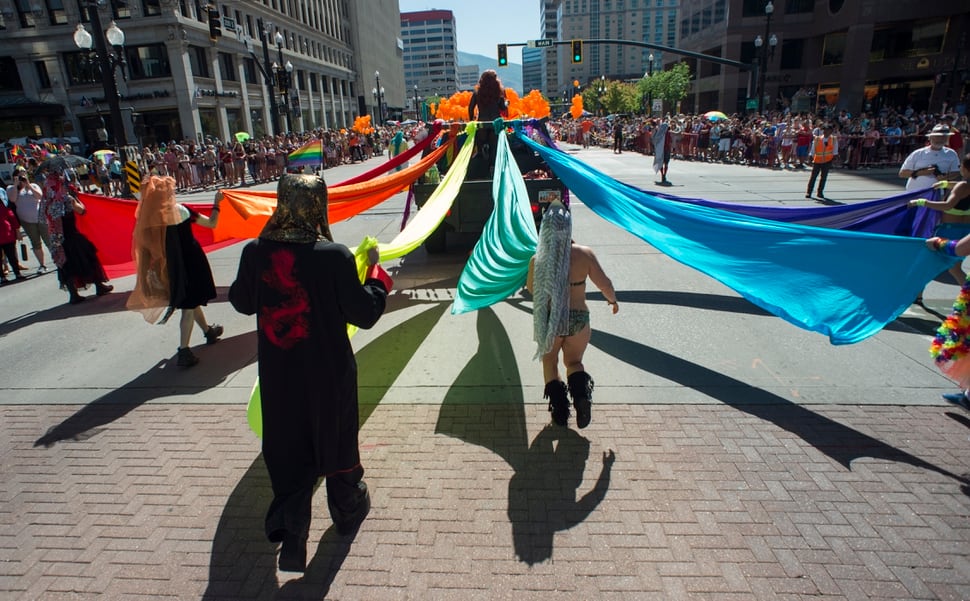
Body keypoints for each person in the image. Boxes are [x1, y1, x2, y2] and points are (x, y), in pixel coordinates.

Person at [228, 174, 393, 572]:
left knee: (288, 444)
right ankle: (347, 508)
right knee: (334, 436)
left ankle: (292, 530)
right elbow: (364, 313)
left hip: (280, 373)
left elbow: (241, 302)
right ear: (319, 206)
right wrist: (375, 278)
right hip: (328, 371)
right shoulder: (332, 255)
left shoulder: (256, 252)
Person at [526, 201, 618, 429]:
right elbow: (604, 283)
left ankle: (559, 411)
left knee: (550, 360)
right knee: (574, 362)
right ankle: (581, 398)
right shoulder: (584, 254)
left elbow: (530, 288)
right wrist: (612, 300)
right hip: (578, 319)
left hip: (550, 321)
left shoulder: (538, 259)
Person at [126, 176, 224, 368]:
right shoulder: (181, 210)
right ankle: (184, 350)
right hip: (190, 261)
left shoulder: (148, 217)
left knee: (191, 300)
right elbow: (212, 223)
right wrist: (216, 203)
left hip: (169, 265)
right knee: (189, 304)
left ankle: (208, 332)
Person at [43, 170, 112, 304]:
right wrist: (77, 198)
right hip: (72, 236)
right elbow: (82, 211)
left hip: (57, 239)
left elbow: (43, 220)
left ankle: (73, 294)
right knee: (88, 258)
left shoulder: (47, 203)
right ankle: (99, 286)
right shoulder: (66, 199)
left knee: (66, 265)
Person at [908, 152, 970, 287]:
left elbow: (948, 205)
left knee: (926, 261)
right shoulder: (962, 185)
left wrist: (922, 202)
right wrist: (947, 184)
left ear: (964, 168)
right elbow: (963, 186)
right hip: (965, 232)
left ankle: (917, 294)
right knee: (955, 269)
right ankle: (967, 296)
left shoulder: (961, 186)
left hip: (949, 232)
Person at [7, 167, 49, 273]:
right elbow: (12, 199)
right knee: (36, 243)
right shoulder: (11, 188)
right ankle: (42, 265)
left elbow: (40, 196)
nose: (22, 178)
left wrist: (29, 185)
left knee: (49, 240)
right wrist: (17, 185)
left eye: (24, 175)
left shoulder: (33, 186)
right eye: (20, 176)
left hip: (41, 218)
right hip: (27, 221)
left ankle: (59, 262)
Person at [899, 123, 962, 191]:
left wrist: (944, 177)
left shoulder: (951, 154)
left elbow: (956, 172)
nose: (940, 139)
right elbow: (902, 173)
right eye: (937, 137)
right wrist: (921, 172)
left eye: (944, 137)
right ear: (930, 137)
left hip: (936, 194)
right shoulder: (918, 153)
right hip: (914, 192)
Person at [468, 69, 508, 174]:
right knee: (494, 148)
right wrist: (507, 103)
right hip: (495, 123)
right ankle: (492, 168)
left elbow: (470, 107)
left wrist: (471, 119)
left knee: (480, 146)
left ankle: (482, 163)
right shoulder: (500, 92)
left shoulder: (477, 92)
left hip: (482, 124)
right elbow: (503, 108)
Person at [0, 178, 25, 284]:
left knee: (11, 256)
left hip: (7, 234)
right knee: (10, 256)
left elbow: (12, 218)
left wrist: (17, 231)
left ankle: (15, 273)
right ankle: (5, 276)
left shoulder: (3, 207)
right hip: (7, 234)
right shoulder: (3, 206)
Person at [805, 123, 838, 200]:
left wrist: (834, 159)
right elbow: (813, 150)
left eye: (828, 130)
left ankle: (820, 192)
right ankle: (809, 192)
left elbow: (835, 150)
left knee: (823, 177)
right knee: (813, 177)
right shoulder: (817, 139)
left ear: (831, 131)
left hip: (827, 161)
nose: (826, 132)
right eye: (825, 130)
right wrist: (810, 157)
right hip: (817, 160)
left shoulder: (833, 139)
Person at [651, 118, 672, 184]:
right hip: (662, 150)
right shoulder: (660, 134)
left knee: (665, 163)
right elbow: (654, 140)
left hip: (665, 150)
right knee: (662, 163)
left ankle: (663, 175)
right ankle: (663, 175)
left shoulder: (666, 134)